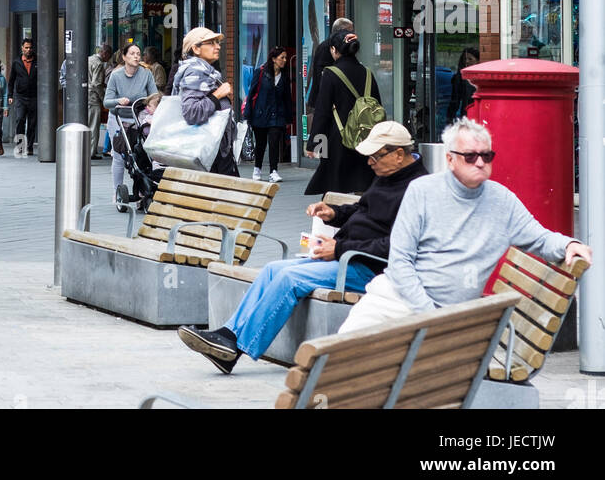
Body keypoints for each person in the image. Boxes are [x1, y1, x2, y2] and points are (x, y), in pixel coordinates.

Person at [178, 121, 427, 372]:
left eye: (375, 156)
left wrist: (339, 249)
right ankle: (228, 335)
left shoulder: (417, 189)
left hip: (368, 267)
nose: (369, 162)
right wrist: (335, 213)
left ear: (398, 154)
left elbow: (397, 246)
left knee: (289, 277)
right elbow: (363, 210)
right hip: (346, 257)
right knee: (273, 269)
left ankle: (236, 348)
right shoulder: (388, 175)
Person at [337, 117, 593, 336]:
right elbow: (400, 260)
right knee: (337, 358)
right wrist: (427, 313)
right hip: (397, 299)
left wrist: (569, 243)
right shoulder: (422, 191)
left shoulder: (502, 201)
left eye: (486, 156)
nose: (480, 162)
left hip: (451, 318)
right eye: (470, 156)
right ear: (450, 159)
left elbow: (540, 238)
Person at [304, 27, 382, 196]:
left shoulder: (330, 74)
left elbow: (322, 114)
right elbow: (378, 109)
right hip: (364, 142)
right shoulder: (368, 74)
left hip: (338, 142)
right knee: (362, 191)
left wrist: (314, 145)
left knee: (335, 193)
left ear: (334, 50)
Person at [171, 28, 238, 178]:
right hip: (207, 154)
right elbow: (191, 112)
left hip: (213, 152)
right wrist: (218, 94)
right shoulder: (195, 71)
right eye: (211, 43)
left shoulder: (206, 72)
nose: (218, 47)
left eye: (218, 42)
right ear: (195, 48)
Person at [104, 44, 157, 201]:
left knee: (141, 153)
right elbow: (107, 102)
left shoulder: (146, 74)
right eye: (132, 53)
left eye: (138, 54)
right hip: (118, 117)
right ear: (124, 57)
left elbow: (154, 95)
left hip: (139, 118)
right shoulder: (116, 76)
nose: (136, 56)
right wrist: (118, 101)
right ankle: (116, 191)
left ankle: (142, 187)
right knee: (120, 156)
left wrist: (152, 104)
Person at [244, 46, 293, 184]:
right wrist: (248, 115)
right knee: (260, 144)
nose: (284, 60)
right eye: (282, 57)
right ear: (273, 59)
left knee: (274, 143)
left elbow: (287, 98)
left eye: (285, 58)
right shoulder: (260, 72)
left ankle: (273, 171)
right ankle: (257, 168)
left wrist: (288, 118)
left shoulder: (284, 76)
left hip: (277, 115)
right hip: (260, 114)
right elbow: (251, 93)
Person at [306, 16, 353, 111]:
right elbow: (322, 78)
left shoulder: (338, 47)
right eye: (350, 32)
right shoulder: (326, 48)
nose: (352, 35)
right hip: (326, 104)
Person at [8, 38, 38, 155]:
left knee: (32, 123)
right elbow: (11, 80)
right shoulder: (17, 62)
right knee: (20, 120)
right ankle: (20, 146)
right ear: (22, 48)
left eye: (30, 47)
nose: (28, 50)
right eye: (26, 47)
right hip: (20, 96)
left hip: (34, 97)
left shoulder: (37, 61)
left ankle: (30, 147)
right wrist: (10, 95)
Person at [87, 43, 112, 158]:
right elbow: (96, 84)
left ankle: (87, 150)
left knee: (87, 124)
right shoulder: (98, 63)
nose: (109, 59)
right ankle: (91, 152)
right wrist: (103, 98)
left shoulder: (88, 59)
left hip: (85, 96)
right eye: (109, 55)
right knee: (93, 126)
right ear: (104, 53)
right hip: (93, 97)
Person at [446, 47, 480, 123]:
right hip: (464, 114)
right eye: (465, 59)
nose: (467, 61)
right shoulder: (459, 78)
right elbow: (455, 99)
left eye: (470, 59)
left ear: (478, 61)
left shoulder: (480, 78)